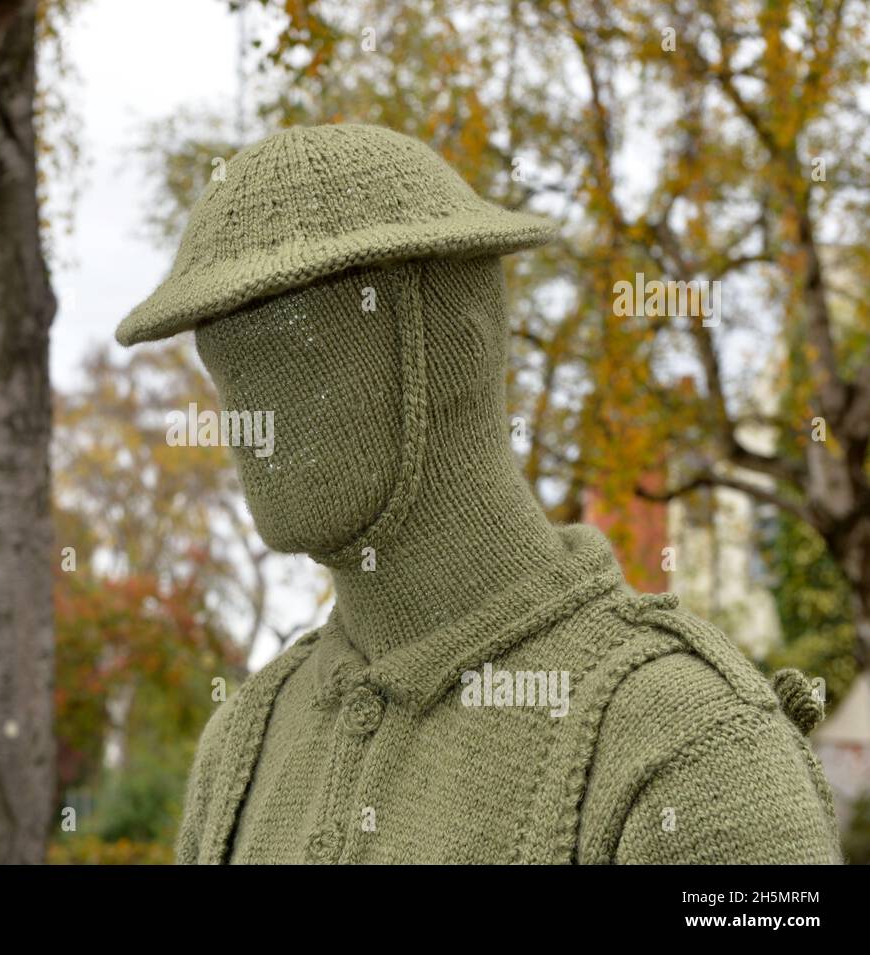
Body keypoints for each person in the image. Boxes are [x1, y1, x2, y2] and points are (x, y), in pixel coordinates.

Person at [115, 123, 842, 864]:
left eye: (298, 359)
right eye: (228, 374)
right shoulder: (244, 744)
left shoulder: (691, 746)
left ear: (456, 348)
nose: (252, 423)